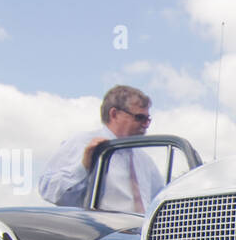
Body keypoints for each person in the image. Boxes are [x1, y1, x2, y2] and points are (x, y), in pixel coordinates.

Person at [37, 85, 164, 213]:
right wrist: (83, 167)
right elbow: (48, 190)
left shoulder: (145, 160)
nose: (145, 124)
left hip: (141, 231)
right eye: (139, 118)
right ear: (114, 114)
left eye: (148, 119)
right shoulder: (82, 143)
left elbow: (160, 201)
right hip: (101, 230)